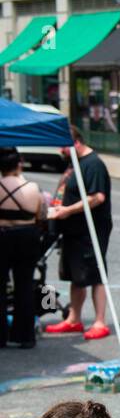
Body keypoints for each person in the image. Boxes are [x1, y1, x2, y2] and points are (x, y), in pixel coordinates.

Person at [44, 126, 112, 341]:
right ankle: (74, 319)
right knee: (76, 275)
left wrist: (67, 210)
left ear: (76, 143)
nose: (60, 151)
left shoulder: (94, 164)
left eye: (63, 147)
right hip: (73, 229)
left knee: (95, 273)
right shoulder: (75, 162)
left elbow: (97, 197)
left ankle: (100, 321)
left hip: (90, 229)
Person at [0, 148, 45, 348]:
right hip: (26, 237)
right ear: (19, 164)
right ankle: (25, 336)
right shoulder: (32, 187)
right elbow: (41, 215)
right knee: (25, 285)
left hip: (2, 236)